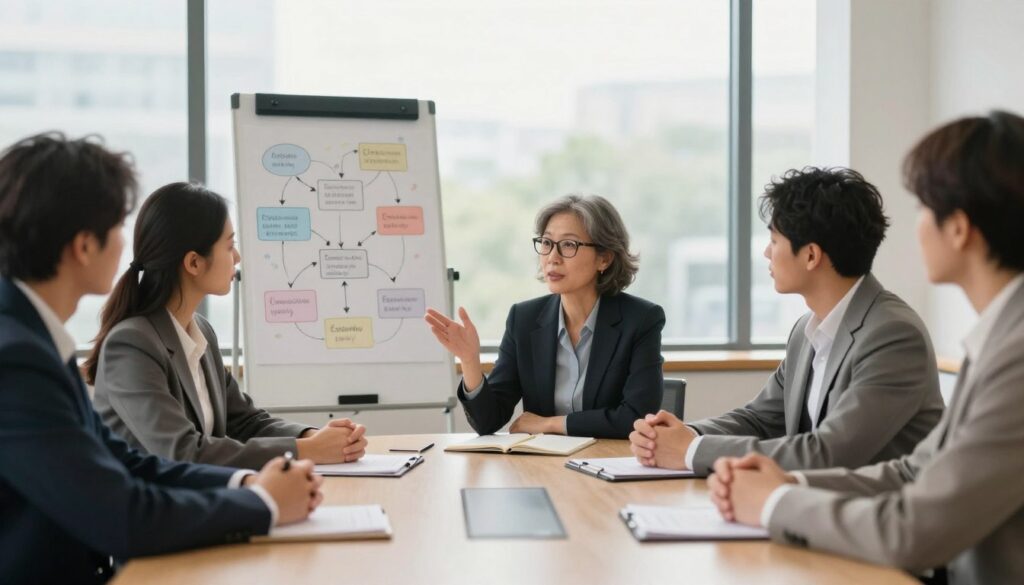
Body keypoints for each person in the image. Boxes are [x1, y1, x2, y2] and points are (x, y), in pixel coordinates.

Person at [708, 111, 1024, 585]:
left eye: (921, 207)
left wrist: (774, 502)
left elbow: (914, 529)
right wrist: (787, 482)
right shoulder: (999, 337)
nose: (913, 226)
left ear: (958, 228)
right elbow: (914, 470)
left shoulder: (1011, 353)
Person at [0, 133, 323, 584]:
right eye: (116, 227)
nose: (125, 244)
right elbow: (121, 513)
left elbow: (129, 464)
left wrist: (248, 485)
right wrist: (263, 504)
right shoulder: (16, 358)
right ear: (83, 245)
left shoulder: (36, 341)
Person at [631, 167, 944, 473]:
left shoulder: (893, 336)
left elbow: (829, 452)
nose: (767, 252)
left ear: (810, 255)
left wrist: (690, 451)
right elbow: (761, 419)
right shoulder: (807, 329)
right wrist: (684, 435)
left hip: (875, 517)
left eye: (775, 239)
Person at [85, 182, 367, 469]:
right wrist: (305, 450)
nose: (237, 258)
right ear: (194, 263)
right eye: (229, 245)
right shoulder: (132, 344)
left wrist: (313, 436)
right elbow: (182, 451)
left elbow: (244, 421)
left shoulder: (200, 331)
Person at [424, 194, 664, 439]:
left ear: (604, 258)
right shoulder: (524, 319)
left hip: (608, 464)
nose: (552, 257)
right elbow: (488, 421)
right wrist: (469, 361)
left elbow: (636, 418)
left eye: (569, 245)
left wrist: (550, 424)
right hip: (544, 467)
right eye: (547, 243)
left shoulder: (641, 320)